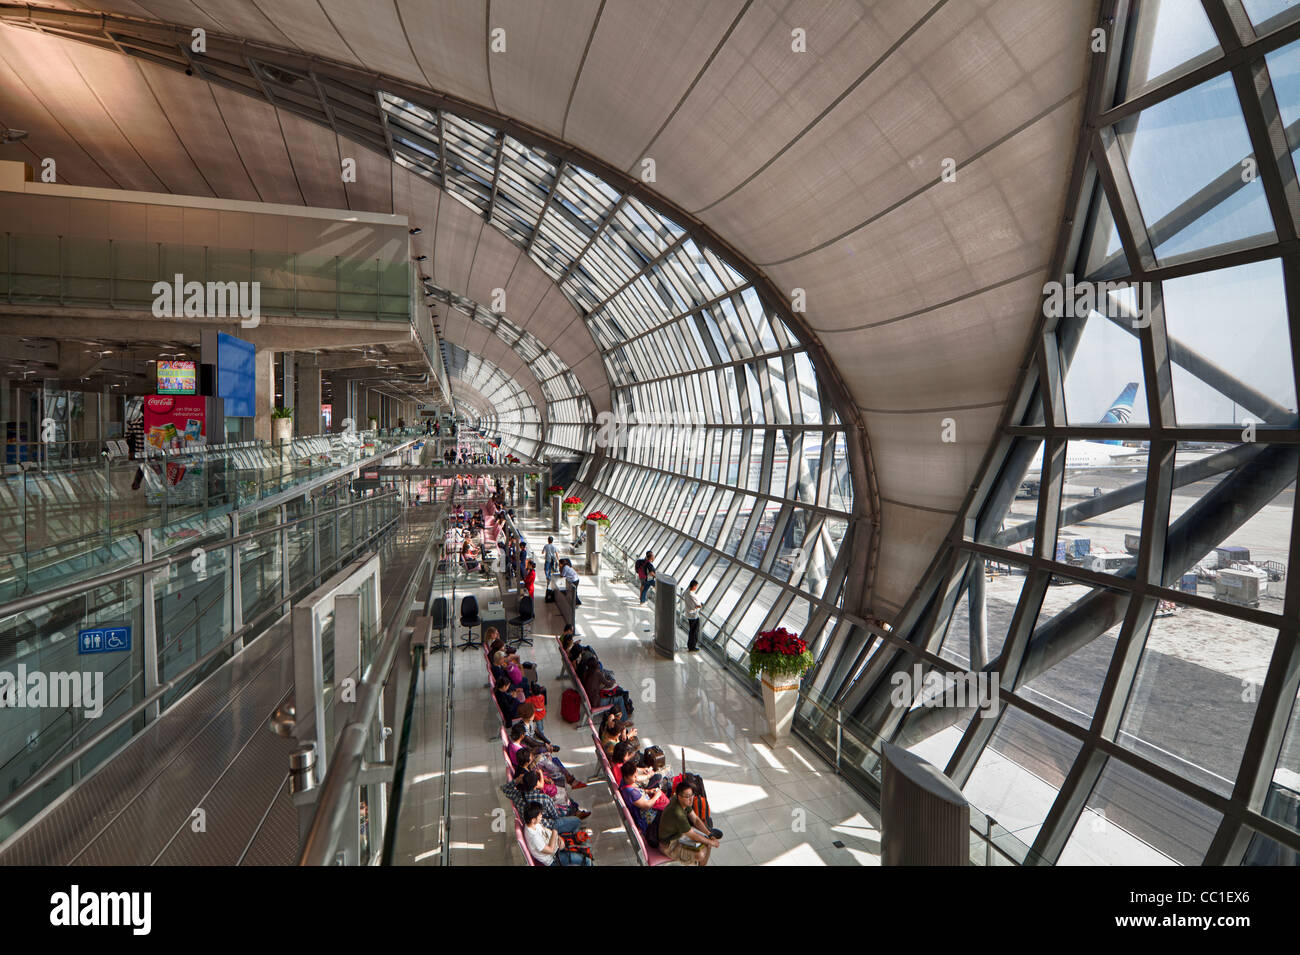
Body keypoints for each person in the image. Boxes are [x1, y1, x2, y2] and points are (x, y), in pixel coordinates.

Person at [656, 780, 720, 865]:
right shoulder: (677, 813)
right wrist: (712, 842)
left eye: (692, 795)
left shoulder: (683, 802)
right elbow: (693, 835)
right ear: (679, 796)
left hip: (679, 835)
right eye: (687, 796)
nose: (691, 799)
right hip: (669, 845)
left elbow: (695, 819)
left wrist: (709, 834)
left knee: (707, 844)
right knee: (701, 853)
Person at [522, 803, 592, 866]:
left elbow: (547, 831)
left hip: (556, 846)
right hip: (554, 859)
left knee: (583, 852)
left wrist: (559, 838)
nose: (541, 816)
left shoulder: (532, 824)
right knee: (586, 860)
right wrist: (555, 832)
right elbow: (551, 850)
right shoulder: (534, 837)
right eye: (539, 815)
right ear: (533, 820)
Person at [682, 579, 703, 651]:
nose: (696, 587)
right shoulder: (692, 595)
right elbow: (697, 605)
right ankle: (692, 646)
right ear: (694, 586)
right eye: (696, 586)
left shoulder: (686, 592)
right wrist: (700, 605)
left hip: (688, 614)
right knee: (694, 631)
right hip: (694, 615)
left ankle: (690, 645)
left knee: (691, 631)